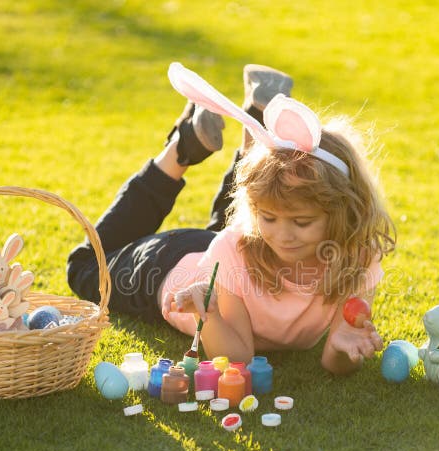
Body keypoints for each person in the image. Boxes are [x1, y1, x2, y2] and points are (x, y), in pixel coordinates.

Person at [67, 64, 395, 375]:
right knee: (85, 266)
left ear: (343, 213)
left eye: (301, 222)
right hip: (169, 265)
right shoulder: (235, 248)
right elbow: (237, 357)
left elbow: (333, 361)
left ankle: (255, 117)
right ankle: (182, 148)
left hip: (222, 253)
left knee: (242, 235)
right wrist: (207, 316)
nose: (283, 235)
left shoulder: (358, 258)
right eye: (268, 217)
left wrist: (340, 348)